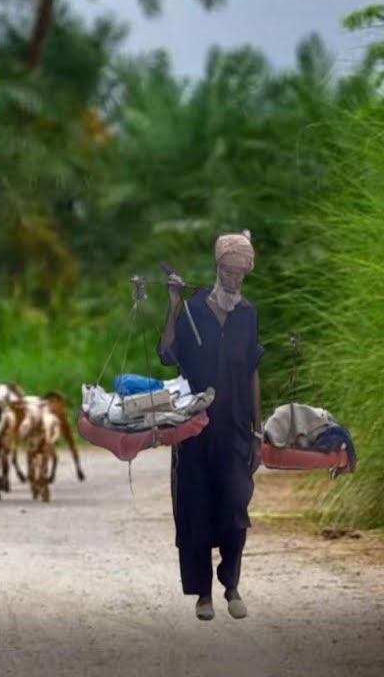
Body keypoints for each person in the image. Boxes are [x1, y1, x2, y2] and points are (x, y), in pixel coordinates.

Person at [158, 230, 264, 622]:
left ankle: (231, 585)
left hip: (235, 429)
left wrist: (257, 429)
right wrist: (173, 304)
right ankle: (203, 594)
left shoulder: (247, 314)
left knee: (236, 507)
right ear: (217, 268)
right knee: (196, 509)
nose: (234, 278)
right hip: (194, 430)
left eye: (241, 273)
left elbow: (253, 371)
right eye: (229, 270)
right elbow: (167, 353)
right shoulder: (193, 309)